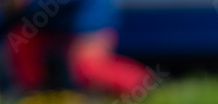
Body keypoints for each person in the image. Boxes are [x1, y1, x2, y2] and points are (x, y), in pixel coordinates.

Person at [2, 0, 149, 96]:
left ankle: (141, 85)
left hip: (89, 17)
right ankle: (34, 98)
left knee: (87, 67)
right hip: (45, 23)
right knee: (19, 46)